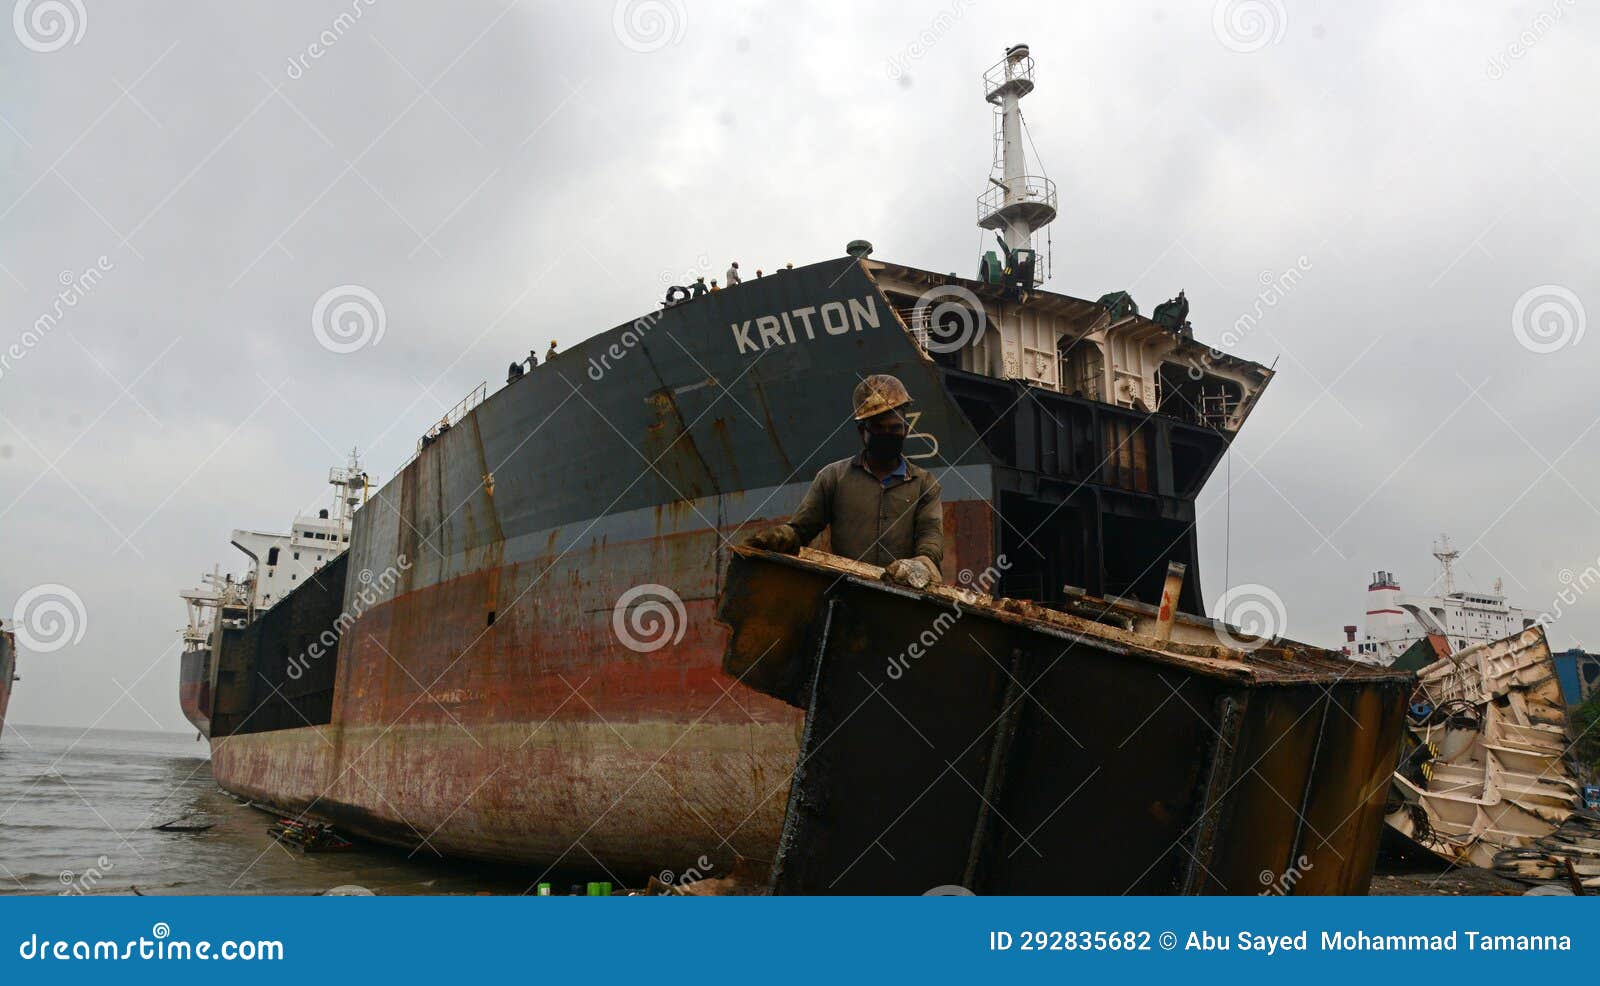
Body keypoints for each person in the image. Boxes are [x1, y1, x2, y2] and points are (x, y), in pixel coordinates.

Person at [743, 374, 942, 587]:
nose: (887, 433)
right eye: (878, 428)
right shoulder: (834, 477)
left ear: (906, 429)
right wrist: (778, 537)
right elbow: (802, 530)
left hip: (903, 598)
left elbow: (930, 541)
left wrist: (921, 565)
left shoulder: (924, 484)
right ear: (862, 432)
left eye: (894, 428)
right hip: (846, 594)